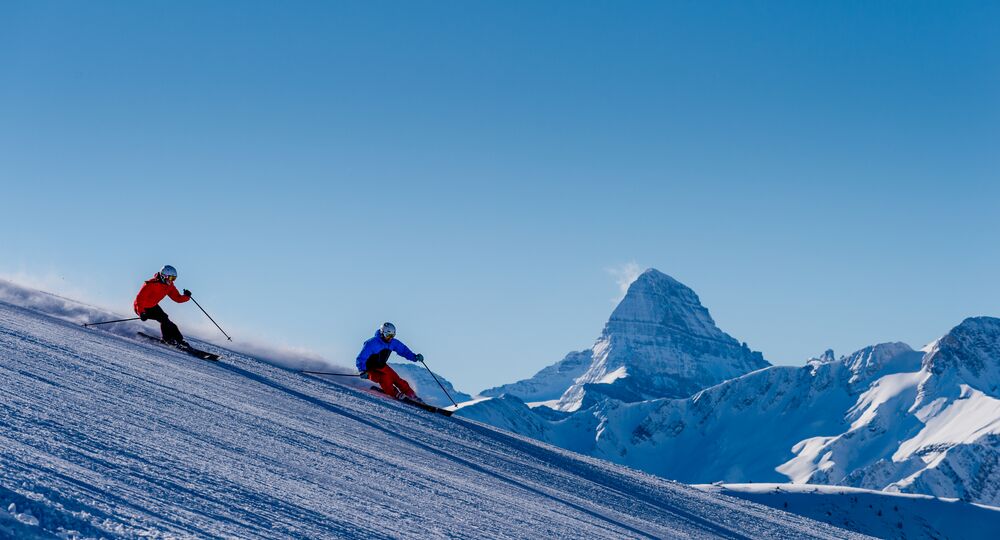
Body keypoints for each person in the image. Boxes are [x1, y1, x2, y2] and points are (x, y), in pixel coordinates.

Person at [356, 322, 424, 401]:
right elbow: (361, 358)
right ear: (382, 333)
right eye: (388, 336)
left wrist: (414, 357)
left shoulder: (393, 342)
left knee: (396, 379)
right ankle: (395, 393)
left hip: (382, 366)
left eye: (392, 336)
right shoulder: (372, 343)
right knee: (384, 378)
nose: (390, 338)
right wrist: (362, 370)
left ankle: (412, 395)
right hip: (370, 369)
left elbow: (403, 350)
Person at [134, 265, 192, 346]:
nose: (172, 280)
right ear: (164, 276)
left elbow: (177, 298)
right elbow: (140, 299)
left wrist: (186, 296)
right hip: (142, 307)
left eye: (174, 278)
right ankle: (167, 339)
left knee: (168, 322)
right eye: (171, 278)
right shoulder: (151, 284)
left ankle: (180, 340)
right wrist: (141, 312)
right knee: (164, 319)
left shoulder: (169, 286)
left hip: (153, 306)